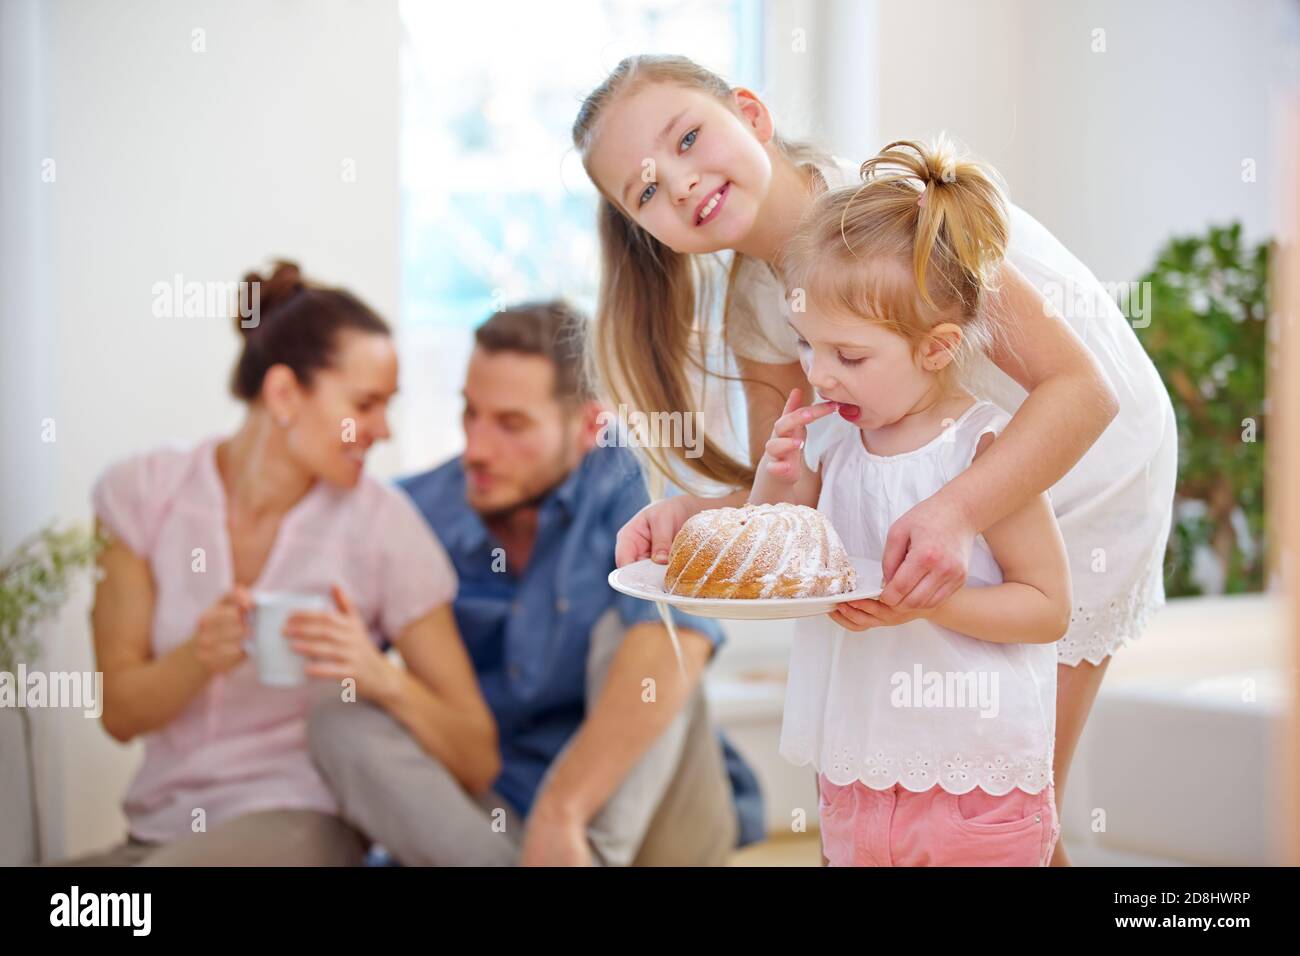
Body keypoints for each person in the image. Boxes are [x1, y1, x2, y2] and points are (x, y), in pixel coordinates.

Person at [572, 55, 1177, 864]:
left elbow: (1082, 394)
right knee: (949, 801)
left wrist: (958, 508)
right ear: (639, 225)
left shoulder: (899, 215)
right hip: (942, 495)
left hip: (1084, 467)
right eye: (644, 190)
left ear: (750, 114)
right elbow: (793, 498)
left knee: (1012, 801)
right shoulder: (756, 310)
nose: (678, 183)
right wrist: (693, 521)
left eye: (688, 138)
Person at [63, 261, 492, 866]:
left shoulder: (385, 527)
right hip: (159, 832)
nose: (382, 430)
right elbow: (119, 714)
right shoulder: (144, 493)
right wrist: (197, 658)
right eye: (365, 404)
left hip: (301, 825)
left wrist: (375, 673)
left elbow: (477, 752)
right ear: (286, 394)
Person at [308, 302, 763, 866]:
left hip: (641, 815)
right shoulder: (414, 511)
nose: (476, 448)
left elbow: (684, 640)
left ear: (589, 426)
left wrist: (561, 812)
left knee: (654, 634)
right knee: (339, 721)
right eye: (470, 414)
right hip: (494, 814)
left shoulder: (635, 480)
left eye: (511, 424)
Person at [754, 138, 1069, 865]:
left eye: (849, 356)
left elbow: (1047, 608)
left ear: (936, 348)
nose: (820, 375)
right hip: (860, 770)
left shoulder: (982, 453)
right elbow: (784, 536)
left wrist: (932, 603)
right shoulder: (835, 441)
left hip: (973, 781)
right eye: (807, 345)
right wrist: (778, 471)